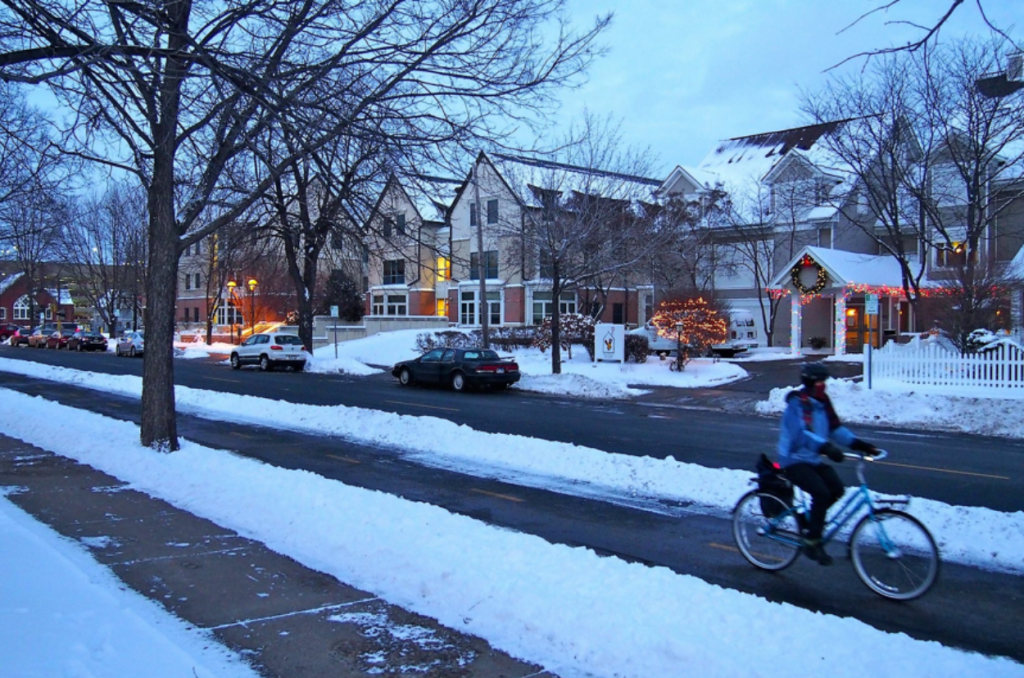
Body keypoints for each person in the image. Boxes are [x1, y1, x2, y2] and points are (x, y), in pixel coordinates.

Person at [777, 362, 878, 565]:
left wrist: (859, 444)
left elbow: (835, 429)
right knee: (821, 493)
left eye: (825, 382)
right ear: (810, 382)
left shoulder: (823, 403)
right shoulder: (798, 404)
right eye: (820, 382)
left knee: (836, 489)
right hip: (793, 459)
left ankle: (811, 523)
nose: (823, 386)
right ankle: (812, 542)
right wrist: (825, 448)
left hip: (812, 458)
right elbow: (801, 434)